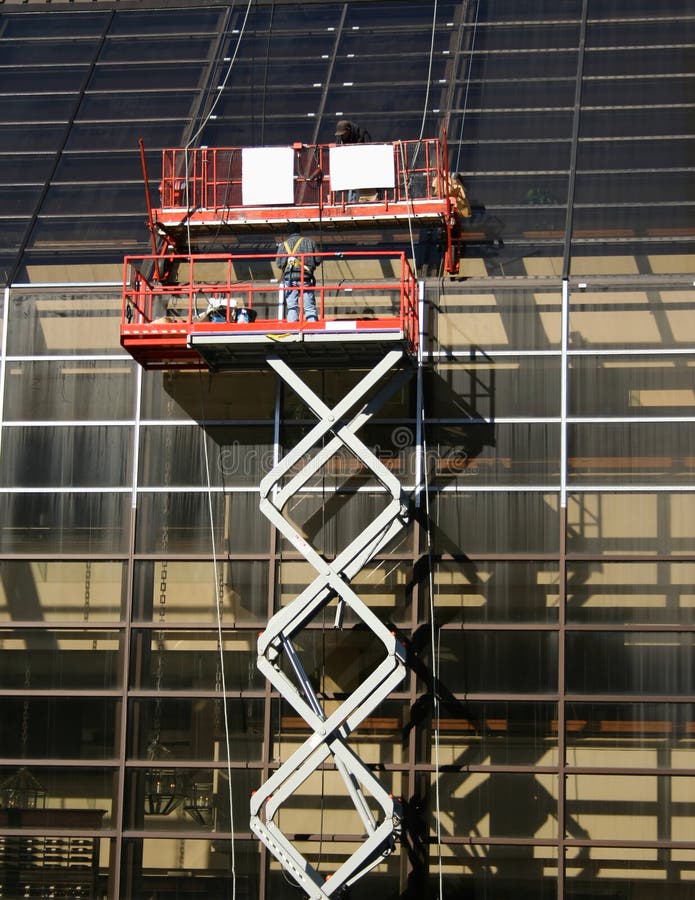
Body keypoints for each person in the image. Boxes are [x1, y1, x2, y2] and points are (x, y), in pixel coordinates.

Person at [275, 232, 320, 322]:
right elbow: (318, 260)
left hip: (290, 278)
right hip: (306, 277)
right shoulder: (310, 242)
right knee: (309, 307)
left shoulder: (284, 245)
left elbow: (279, 264)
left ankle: (293, 327)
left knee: (292, 307)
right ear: (300, 231)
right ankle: (312, 326)